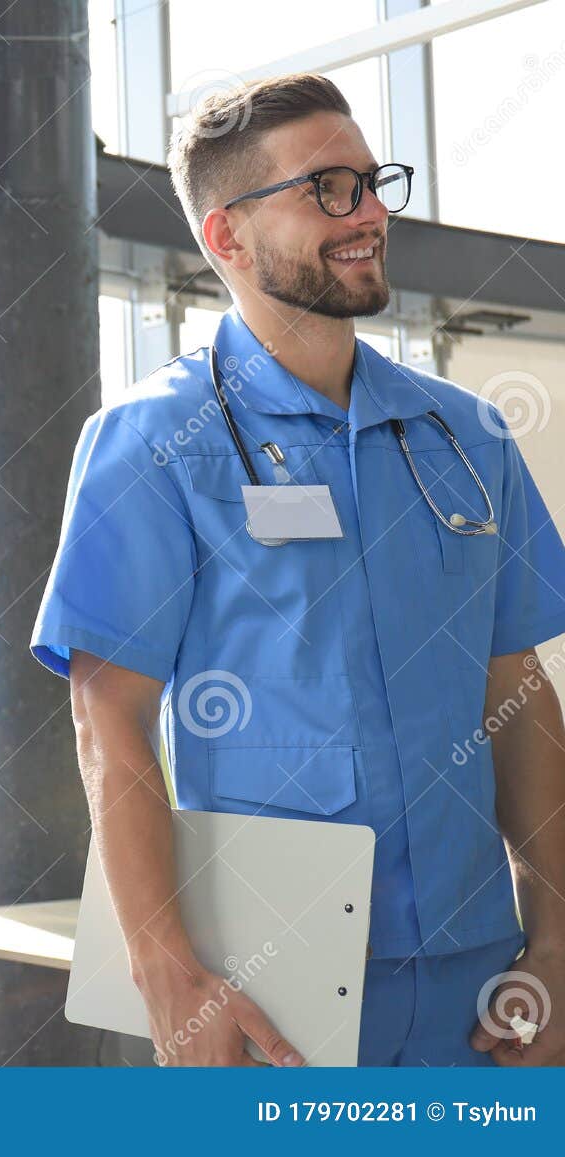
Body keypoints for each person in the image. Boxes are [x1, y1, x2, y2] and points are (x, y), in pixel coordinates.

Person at [31, 74, 565, 1067]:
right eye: (326, 189)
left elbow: (516, 686)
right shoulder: (152, 442)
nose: (368, 214)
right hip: (274, 989)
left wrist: (561, 934)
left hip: (482, 980)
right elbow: (109, 719)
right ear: (226, 237)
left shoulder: (466, 434)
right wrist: (166, 970)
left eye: (370, 182)